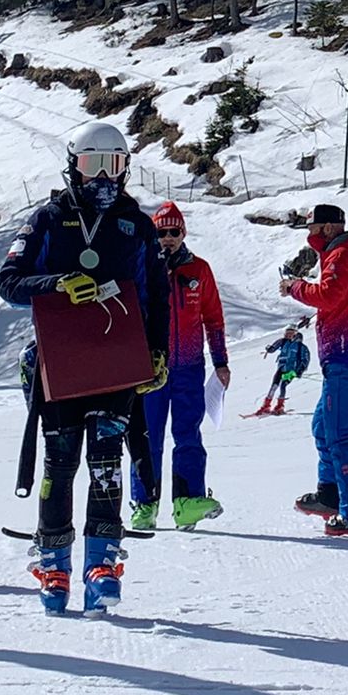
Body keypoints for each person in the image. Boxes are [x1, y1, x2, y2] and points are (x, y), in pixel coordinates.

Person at [0, 120, 169, 615]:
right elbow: (10, 282)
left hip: (118, 361)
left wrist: (156, 351)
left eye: (113, 166)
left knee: (106, 460)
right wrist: (56, 284)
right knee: (60, 459)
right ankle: (53, 559)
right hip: (63, 363)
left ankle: (103, 558)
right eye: (93, 165)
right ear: (73, 166)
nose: (103, 178)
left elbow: (158, 294)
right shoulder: (47, 220)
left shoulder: (136, 224)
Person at [129, 202, 229, 531]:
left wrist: (221, 362)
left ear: (183, 233)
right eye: (162, 233)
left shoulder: (199, 270)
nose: (168, 238)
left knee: (188, 435)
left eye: (174, 232)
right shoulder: (143, 267)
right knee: (148, 438)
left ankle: (187, 502)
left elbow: (213, 319)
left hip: (189, 367)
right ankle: (145, 504)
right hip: (150, 369)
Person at [282, 204, 348, 537]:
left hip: (346, 353)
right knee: (323, 427)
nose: (309, 235)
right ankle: (330, 495)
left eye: (312, 228)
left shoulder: (343, 255)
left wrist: (295, 287)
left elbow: (328, 294)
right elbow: (341, 299)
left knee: (338, 435)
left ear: (326, 228)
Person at [254, 325, 312, 416]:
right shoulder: (284, 342)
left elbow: (305, 359)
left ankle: (280, 406)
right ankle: (266, 405)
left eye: (291, 333)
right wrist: (270, 349)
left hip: (291, 370)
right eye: (287, 333)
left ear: (295, 334)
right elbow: (274, 348)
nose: (288, 335)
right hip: (281, 367)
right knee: (274, 386)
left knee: (283, 385)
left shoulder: (301, 347)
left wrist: (299, 371)